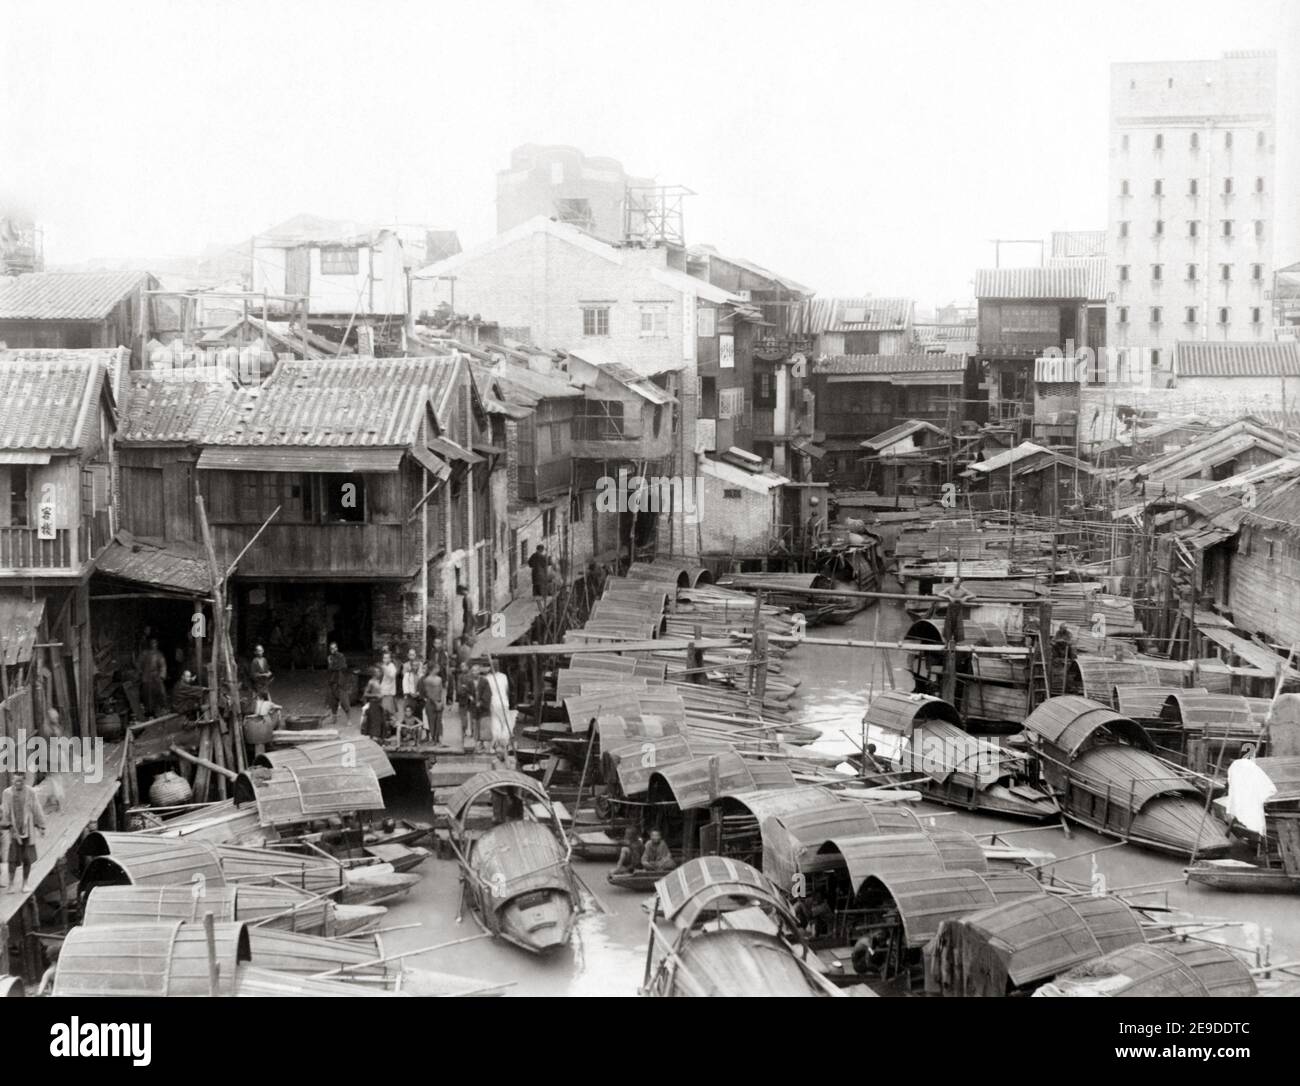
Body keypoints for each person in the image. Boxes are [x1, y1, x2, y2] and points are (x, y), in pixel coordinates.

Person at [2, 771, 46, 894]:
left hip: (27, 830)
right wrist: (6, 824)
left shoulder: (30, 792)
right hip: (14, 831)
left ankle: (25, 883)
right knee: (12, 859)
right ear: (12, 781)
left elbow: (36, 808)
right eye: (15, 781)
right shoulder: (7, 793)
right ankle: (10, 884)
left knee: (27, 858)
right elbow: (5, 810)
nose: (18, 783)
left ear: (24, 781)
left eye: (20, 781)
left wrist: (41, 825)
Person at [481, 659, 512, 762]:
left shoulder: (487, 678)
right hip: (504, 703)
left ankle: (494, 746)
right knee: (504, 725)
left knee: (495, 724)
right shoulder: (504, 676)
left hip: (493, 703)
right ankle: (503, 746)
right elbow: (507, 691)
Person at [935, 576, 977, 646]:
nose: (955, 583)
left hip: (958, 609)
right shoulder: (950, 588)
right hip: (950, 608)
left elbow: (974, 595)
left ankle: (956, 643)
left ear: (960, 582)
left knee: (958, 625)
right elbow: (939, 594)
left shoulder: (963, 590)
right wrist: (948, 597)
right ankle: (946, 643)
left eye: (957, 581)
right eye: (954, 581)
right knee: (948, 625)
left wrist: (966, 597)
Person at [140, 637, 168, 715]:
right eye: (152, 643)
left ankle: (163, 708)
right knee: (147, 694)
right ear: (150, 644)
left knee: (161, 692)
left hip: (156, 676)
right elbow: (140, 664)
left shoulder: (159, 654)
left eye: (155, 643)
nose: (154, 644)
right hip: (147, 676)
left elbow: (163, 665)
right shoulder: (145, 654)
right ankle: (149, 710)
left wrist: (162, 675)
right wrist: (141, 673)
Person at [325, 642, 352, 724]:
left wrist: (332, 666)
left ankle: (349, 719)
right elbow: (329, 669)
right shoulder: (330, 658)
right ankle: (334, 718)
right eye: (331, 648)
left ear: (337, 648)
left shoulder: (341, 656)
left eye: (334, 648)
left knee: (344, 701)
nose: (333, 650)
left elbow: (343, 666)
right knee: (333, 701)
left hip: (340, 682)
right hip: (332, 681)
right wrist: (330, 664)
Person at [421, 666, 445, 746]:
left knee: (438, 721)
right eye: (436, 668)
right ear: (432, 669)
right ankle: (433, 739)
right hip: (431, 702)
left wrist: (441, 701)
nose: (438, 669)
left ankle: (438, 738)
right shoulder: (427, 680)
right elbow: (428, 693)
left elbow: (441, 690)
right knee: (432, 722)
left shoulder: (439, 679)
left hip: (439, 701)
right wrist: (435, 703)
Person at [362, 666, 387, 741]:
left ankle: (380, 739)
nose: (379, 673)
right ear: (373, 673)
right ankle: (373, 739)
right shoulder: (371, 682)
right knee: (374, 722)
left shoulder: (379, 681)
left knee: (381, 722)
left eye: (379, 671)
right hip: (373, 704)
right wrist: (375, 695)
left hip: (380, 704)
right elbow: (365, 694)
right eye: (377, 672)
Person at [456, 664, 477, 750]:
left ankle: (472, 732)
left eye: (465, 666)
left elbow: (473, 688)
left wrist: (466, 688)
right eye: (462, 666)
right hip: (463, 699)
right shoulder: (460, 677)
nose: (463, 668)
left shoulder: (471, 676)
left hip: (471, 699)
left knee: (472, 717)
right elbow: (459, 688)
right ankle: (463, 732)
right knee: (463, 717)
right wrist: (465, 689)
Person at [378, 650, 399, 724]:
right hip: (383, 691)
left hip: (388, 692)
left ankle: (395, 726)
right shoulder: (384, 666)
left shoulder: (392, 666)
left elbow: (391, 676)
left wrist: (385, 669)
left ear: (390, 659)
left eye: (387, 658)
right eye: (384, 658)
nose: (385, 659)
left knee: (389, 711)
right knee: (384, 711)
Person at [401, 648, 423, 714]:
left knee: (418, 711)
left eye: (413, 655)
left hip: (418, 693)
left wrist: (419, 692)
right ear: (408, 655)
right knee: (409, 709)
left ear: (415, 655)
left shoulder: (420, 664)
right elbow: (405, 681)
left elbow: (421, 678)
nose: (411, 656)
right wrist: (408, 693)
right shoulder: (405, 666)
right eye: (410, 655)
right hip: (410, 692)